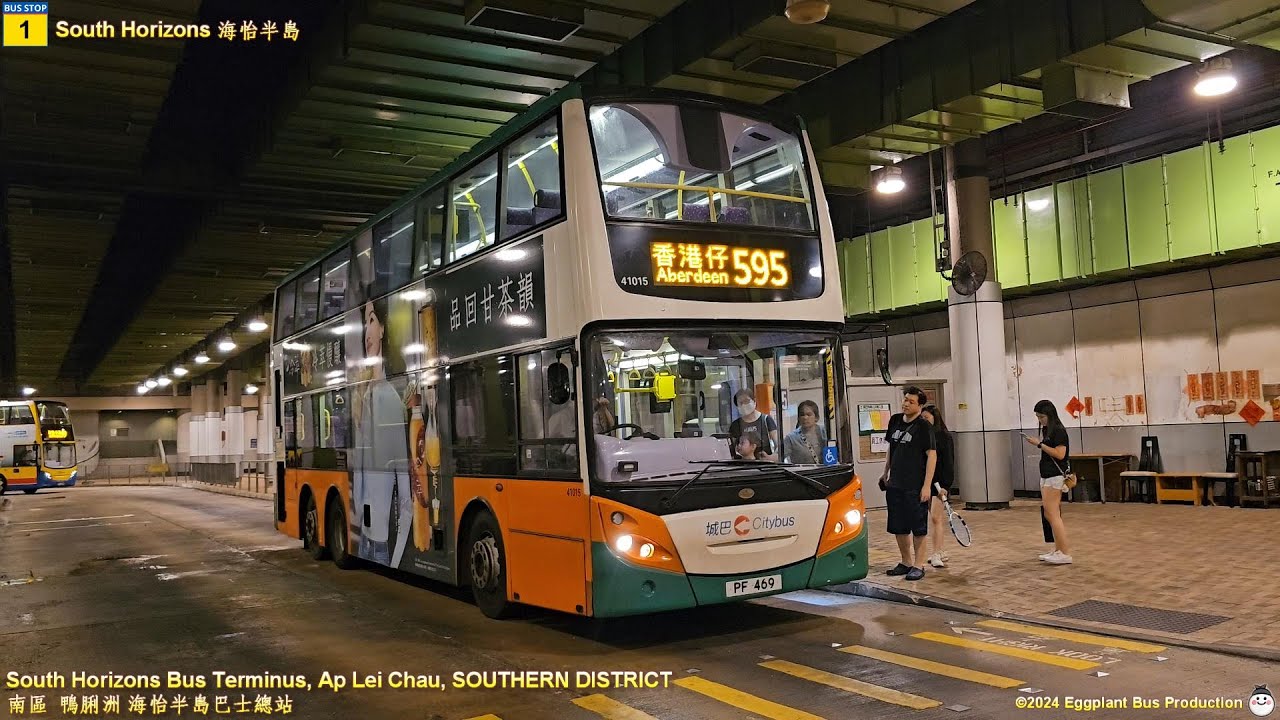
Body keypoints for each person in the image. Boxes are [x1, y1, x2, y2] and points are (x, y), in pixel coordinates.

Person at [877, 386, 937, 581]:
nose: (905, 404)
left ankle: (919, 565)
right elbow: (890, 449)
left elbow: (931, 456)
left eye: (911, 401)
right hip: (895, 483)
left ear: (920, 405)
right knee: (898, 525)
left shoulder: (924, 426)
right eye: (905, 400)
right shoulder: (895, 420)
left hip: (915, 485)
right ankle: (906, 561)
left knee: (918, 527)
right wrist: (886, 472)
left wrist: (927, 485)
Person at [1026, 399, 1072, 564]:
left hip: (1055, 476)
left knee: (1053, 514)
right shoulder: (1047, 430)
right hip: (1046, 474)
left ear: (1049, 415)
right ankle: (1058, 549)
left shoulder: (1058, 431)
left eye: (1042, 416)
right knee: (1049, 513)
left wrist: (1039, 445)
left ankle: (1064, 552)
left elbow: (1060, 454)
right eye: (1038, 417)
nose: (1040, 420)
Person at [921, 404, 955, 568]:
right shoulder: (921, 436)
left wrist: (945, 486)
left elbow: (949, 463)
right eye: (922, 418)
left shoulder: (944, 437)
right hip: (924, 484)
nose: (924, 421)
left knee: (936, 518)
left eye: (927, 418)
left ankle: (936, 554)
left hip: (939, 484)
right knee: (932, 519)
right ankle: (940, 550)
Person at [729, 388, 778, 461]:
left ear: (754, 401)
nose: (744, 405)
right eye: (740, 403)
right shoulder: (735, 425)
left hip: (765, 464)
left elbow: (778, 444)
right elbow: (732, 449)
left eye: (746, 401)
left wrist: (772, 457)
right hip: (744, 465)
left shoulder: (766, 420)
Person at [783, 400, 827, 465]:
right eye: (802, 415)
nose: (805, 417)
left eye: (809, 414)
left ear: (816, 417)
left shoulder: (826, 432)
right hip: (802, 474)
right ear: (798, 418)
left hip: (826, 473)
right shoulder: (791, 438)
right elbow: (778, 455)